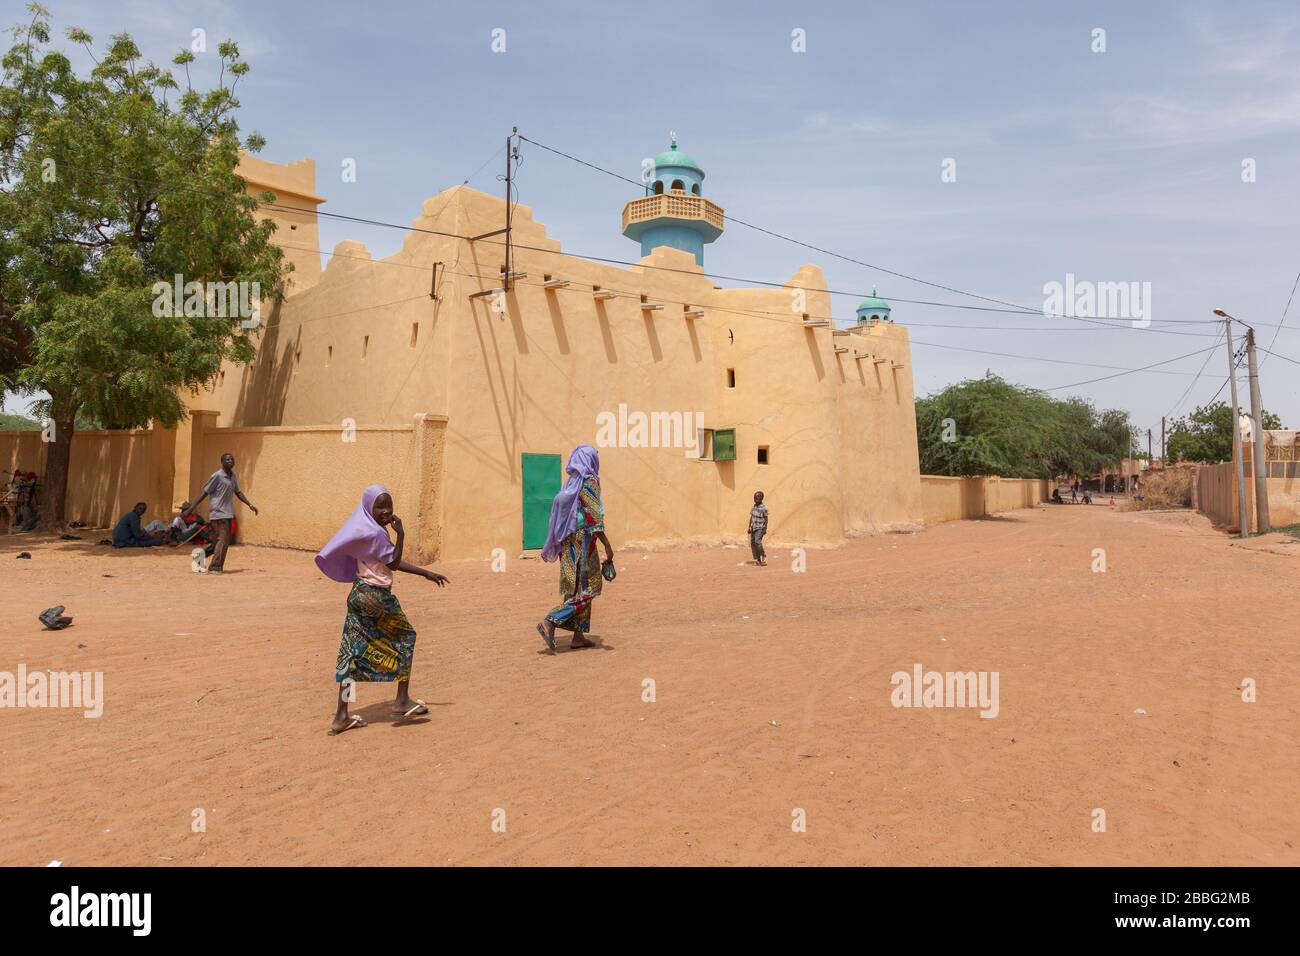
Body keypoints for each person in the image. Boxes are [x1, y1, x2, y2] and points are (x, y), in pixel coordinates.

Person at [316, 484, 448, 736]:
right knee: (407, 636)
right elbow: (394, 562)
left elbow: (387, 559)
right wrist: (401, 535)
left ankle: (341, 716)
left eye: (389, 506)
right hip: (376, 596)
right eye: (380, 506)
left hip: (357, 594)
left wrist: (425, 573)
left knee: (350, 653)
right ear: (369, 507)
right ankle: (401, 700)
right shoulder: (377, 534)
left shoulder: (362, 528)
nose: (386, 511)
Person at [536, 444, 614, 653]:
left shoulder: (571, 482)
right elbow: (593, 517)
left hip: (569, 541)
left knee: (576, 587)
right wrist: (607, 546)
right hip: (585, 540)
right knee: (591, 586)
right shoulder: (590, 481)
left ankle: (578, 636)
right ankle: (553, 619)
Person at [189, 452, 258, 575]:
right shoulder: (217, 476)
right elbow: (205, 493)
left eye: (232, 459)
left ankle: (199, 557)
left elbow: (238, 492)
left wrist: (250, 504)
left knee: (218, 542)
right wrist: (191, 508)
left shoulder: (233, 477)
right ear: (222, 462)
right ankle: (215, 567)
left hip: (228, 513)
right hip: (217, 513)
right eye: (227, 459)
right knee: (223, 541)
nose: (230, 461)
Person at [748, 491, 768, 565]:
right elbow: (751, 517)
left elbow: (766, 519)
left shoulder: (764, 508)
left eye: (757, 497)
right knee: (753, 544)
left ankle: (763, 555)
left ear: (762, 498)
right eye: (754, 497)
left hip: (760, 528)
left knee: (757, 542)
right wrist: (749, 527)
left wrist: (765, 529)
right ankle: (758, 559)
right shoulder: (753, 507)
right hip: (753, 527)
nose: (755, 499)